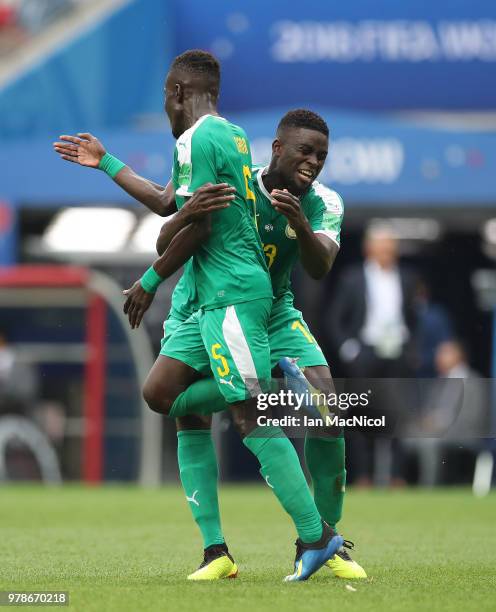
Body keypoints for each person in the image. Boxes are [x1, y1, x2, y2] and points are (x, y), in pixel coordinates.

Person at [53, 50, 344, 582]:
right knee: (161, 395)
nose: (166, 107)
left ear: (177, 93)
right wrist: (127, 180)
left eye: (166, 97)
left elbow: (182, 218)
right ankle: (219, 552)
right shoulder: (231, 136)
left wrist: (149, 273)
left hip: (230, 294)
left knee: (250, 413)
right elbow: (180, 212)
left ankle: (318, 535)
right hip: (205, 297)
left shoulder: (198, 139)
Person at [326, 223, 418, 486]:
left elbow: (414, 318)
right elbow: (335, 318)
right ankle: (364, 477)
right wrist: (349, 350)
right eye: (382, 245)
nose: (387, 251)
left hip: (397, 353)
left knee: (398, 417)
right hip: (365, 355)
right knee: (362, 417)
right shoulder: (352, 278)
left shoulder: (407, 278)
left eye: (391, 246)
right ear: (369, 248)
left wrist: (412, 350)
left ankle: (397, 477)